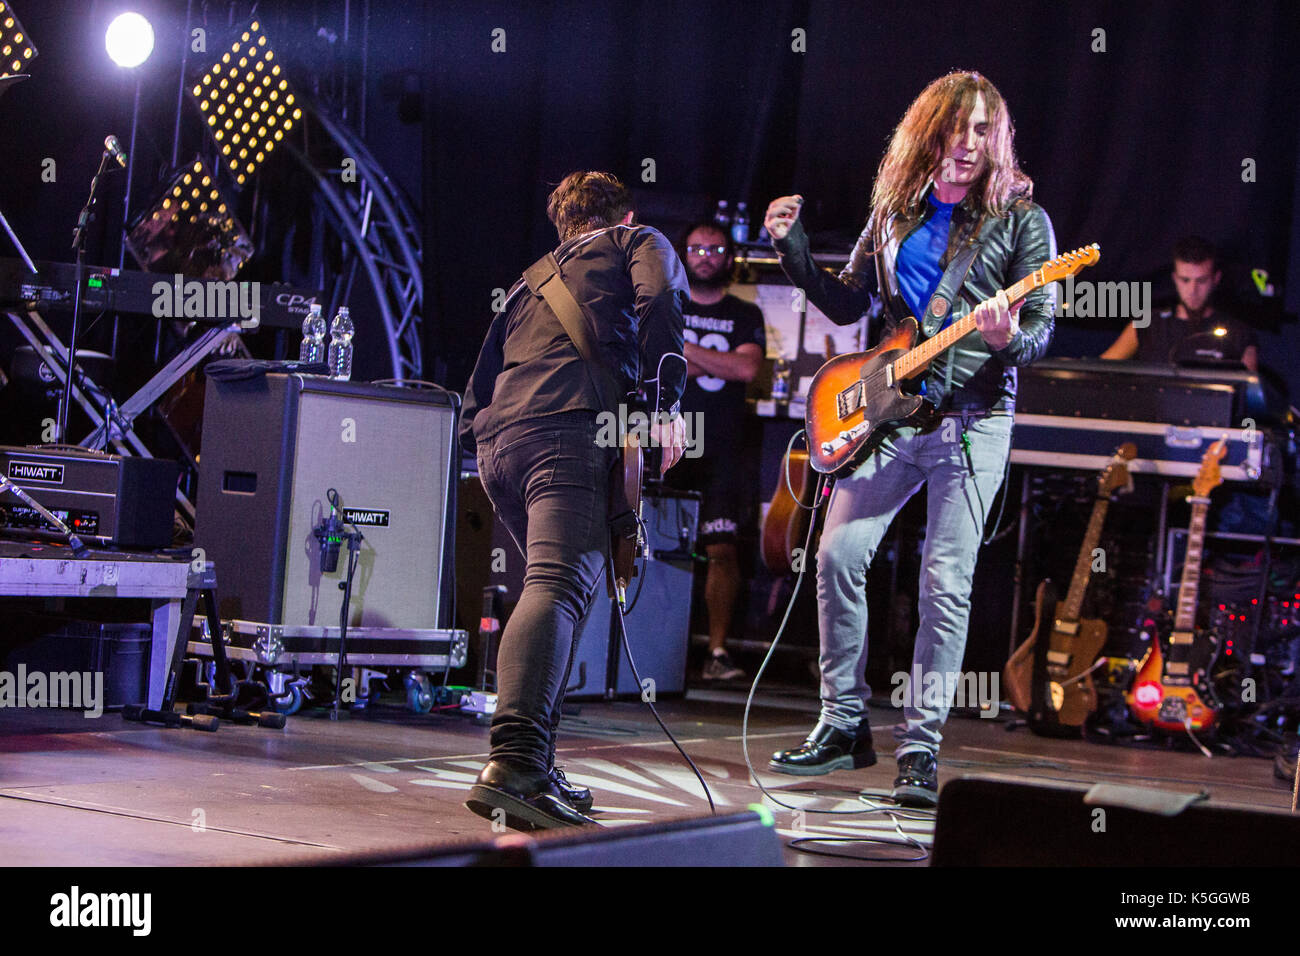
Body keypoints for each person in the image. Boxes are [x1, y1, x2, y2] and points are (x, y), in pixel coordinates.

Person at [763, 71, 1057, 806]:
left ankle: (921, 748)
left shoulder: (1023, 221)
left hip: (974, 420)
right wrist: (793, 250)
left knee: (944, 582)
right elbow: (848, 297)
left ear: (998, 139)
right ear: (929, 132)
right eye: (956, 128)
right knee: (834, 555)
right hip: (892, 415)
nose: (967, 143)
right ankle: (842, 725)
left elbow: (1042, 332)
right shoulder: (893, 208)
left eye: (983, 130)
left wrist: (1006, 334)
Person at [459, 171, 688, 830]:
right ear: (625, 215)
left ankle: (537, 762)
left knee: (555, 588)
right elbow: (664, 296)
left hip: (502, 445)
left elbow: (478, 387)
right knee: (558, 588)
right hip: (566, 429)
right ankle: (516, 764)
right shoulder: (635, 240)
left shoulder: (530, 279)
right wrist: (665, 404)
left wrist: (489, 443)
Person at [665, 221, 766, 682]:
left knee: (722, 549)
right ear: (683, 256)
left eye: (715, 248)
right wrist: (710, 362)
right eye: (695, 248)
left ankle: (718, 652)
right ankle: (656, 648)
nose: (704, 255)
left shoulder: (744, 314)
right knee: (657, 545)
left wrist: (685, 349)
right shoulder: (667, 304)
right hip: (666, 441)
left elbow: (746, 368)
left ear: (729, 258)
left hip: (722, 447)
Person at [1101, 236, 1258, 371]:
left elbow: (1250, 392)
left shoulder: (1238, 333)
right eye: (1185, 280)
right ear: (1175, 279)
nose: (1193, 290)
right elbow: (1098, 371)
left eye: (1201, 281)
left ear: (1215, 279)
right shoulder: (1146, 324)